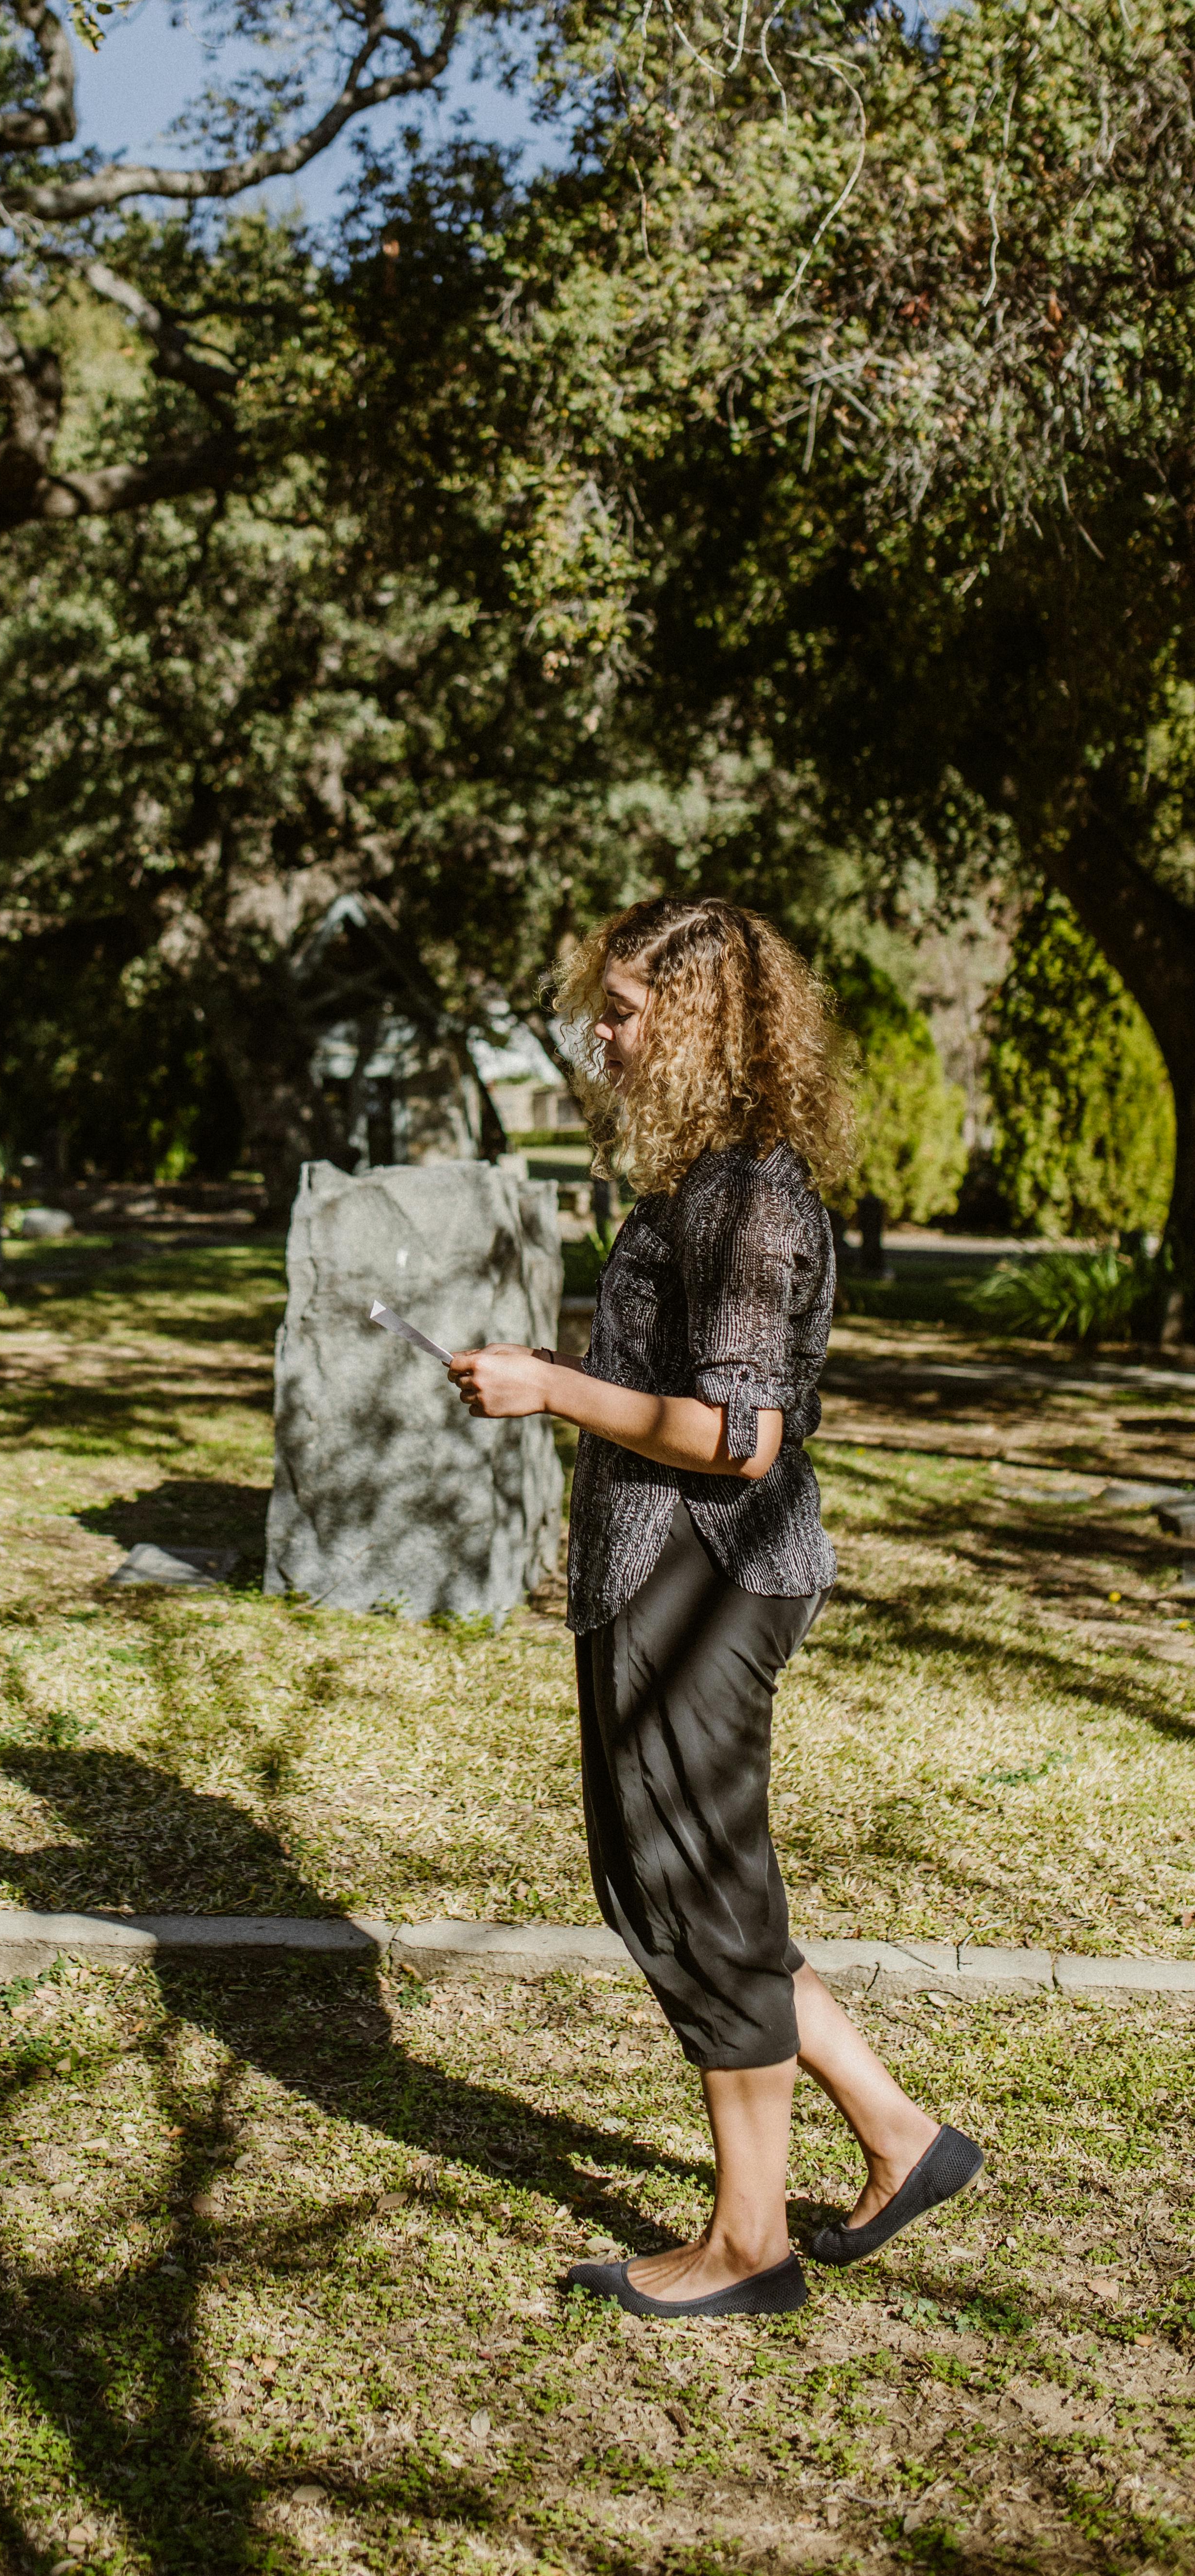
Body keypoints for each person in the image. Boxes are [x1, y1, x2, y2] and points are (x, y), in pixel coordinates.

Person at [450, 898, 982, 2321]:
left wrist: (553, 1387)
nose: (600, 1034)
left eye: (624, 1010)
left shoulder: (747, 1196)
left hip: (704, 1578)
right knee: (682, 1886)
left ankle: (748, 2246)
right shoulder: (703, 1180)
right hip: (662, 1572)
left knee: (696, 1896)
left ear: (696, 1025)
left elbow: (738, 1437)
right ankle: (900, 2136)